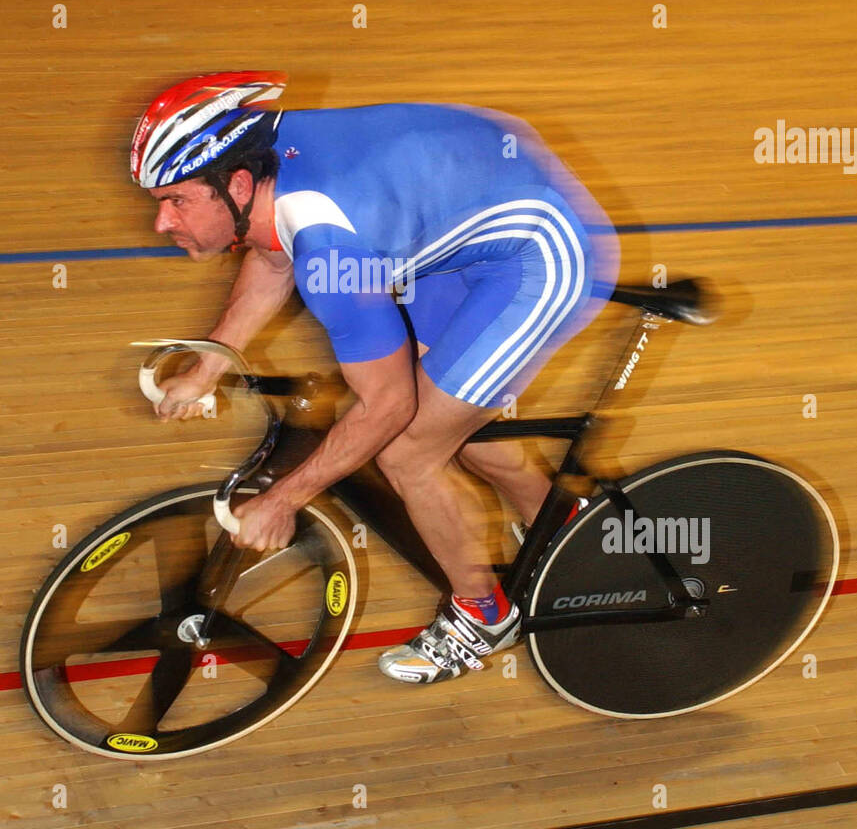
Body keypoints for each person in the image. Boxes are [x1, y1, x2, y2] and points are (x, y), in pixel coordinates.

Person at [130, 71, 620, 684]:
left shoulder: (332, 242)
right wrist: (207, 367)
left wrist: (285, 498)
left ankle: (483, 613)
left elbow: (386, 404)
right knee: (451, 424)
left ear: (235, 183)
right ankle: (566, 526)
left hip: (538, 254)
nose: (162, 224)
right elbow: (270, 249)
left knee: (408, 449)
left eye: (176, 201)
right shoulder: (263, 173)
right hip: (458, 218)